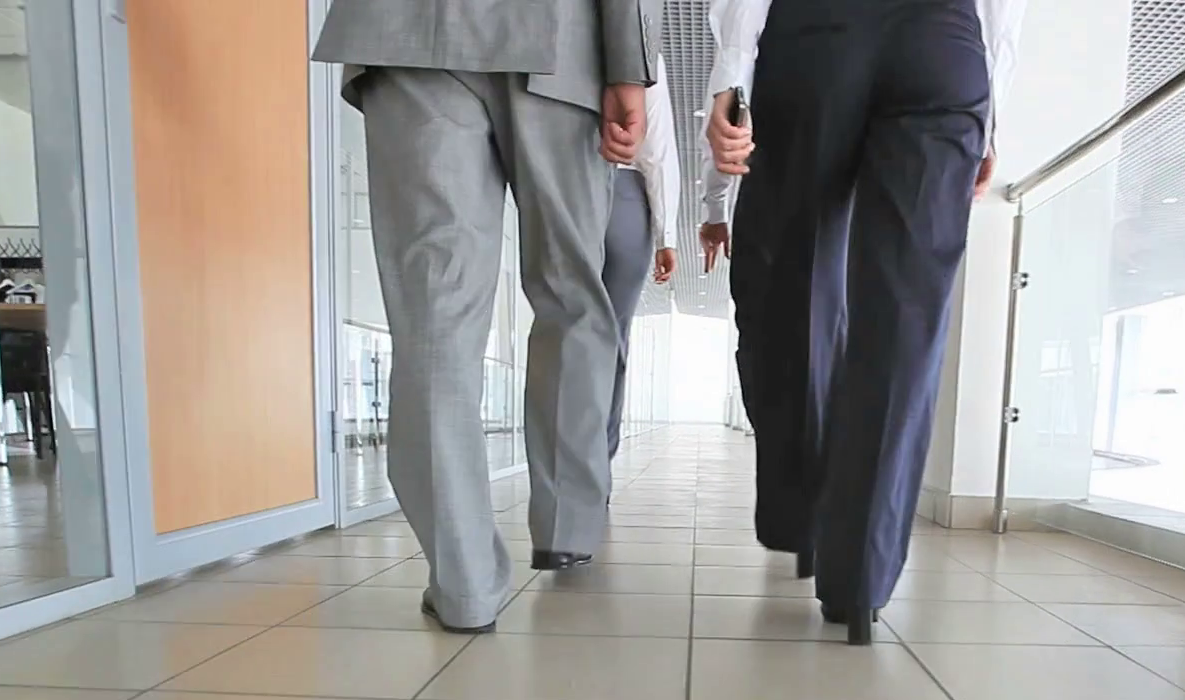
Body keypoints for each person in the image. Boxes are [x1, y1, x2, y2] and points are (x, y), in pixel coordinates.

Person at [313, 0, 661, 633]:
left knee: (434, 316)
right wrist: (629, 65)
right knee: (571, 294)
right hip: (562, 40)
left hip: (406, 34)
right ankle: (566, 529)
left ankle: (464, 584)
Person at [704, 0, 1025, 643]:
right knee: (907, 310)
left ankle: (804, 520)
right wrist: (991, 110)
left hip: (816, 34)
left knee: (787, 284)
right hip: (945, 44)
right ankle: (861, 581)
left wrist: (732, 72)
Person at [605, 54, 682, 461]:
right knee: (612, 339)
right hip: (624, 192)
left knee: (561, 330)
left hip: (560, 185)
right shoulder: (637, 36)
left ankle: (559, 466)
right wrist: (665, 236)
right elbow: (658, 148)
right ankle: (596, 468)